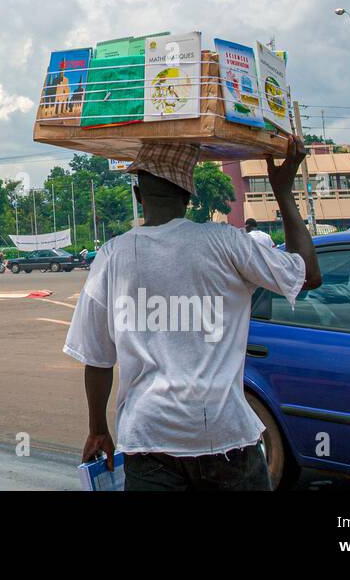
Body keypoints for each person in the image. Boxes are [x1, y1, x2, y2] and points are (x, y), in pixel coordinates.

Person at [64, 139, 321, 491]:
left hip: (148, 438)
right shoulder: (227, 242)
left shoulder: (113, 256)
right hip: (224, 434)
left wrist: (97, 430)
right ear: (188, 196)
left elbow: (96, 358)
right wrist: (283, 192)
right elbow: (307, 275)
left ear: (139, 196)